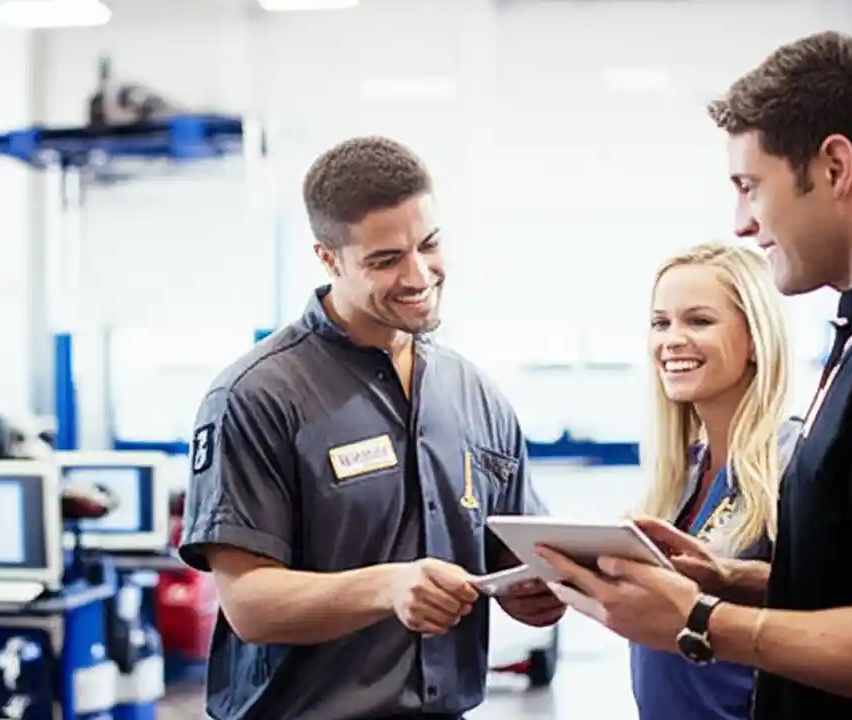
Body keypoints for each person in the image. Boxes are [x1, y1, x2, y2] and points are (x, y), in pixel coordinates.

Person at [535, 30, 852, 720]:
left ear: (835, 166)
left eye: (751, 187)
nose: (743, 223)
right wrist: (726, 577)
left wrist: (701, 620)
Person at [177, 135, 565, 720]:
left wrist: (537, 592)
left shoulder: (476, 395)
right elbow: (250, 604)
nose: (419, 275)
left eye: (429, 245)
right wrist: (388, 589)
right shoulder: (257, 398)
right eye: (385, 260)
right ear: (328, 258)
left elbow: (511, 561)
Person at [630, 241, 801, 720]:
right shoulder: (680, 476)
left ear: (755, 339)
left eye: (699, 321)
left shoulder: (797, 464)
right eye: (661, 323)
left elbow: (837, 600)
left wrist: (727, 579)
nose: (672, 340)